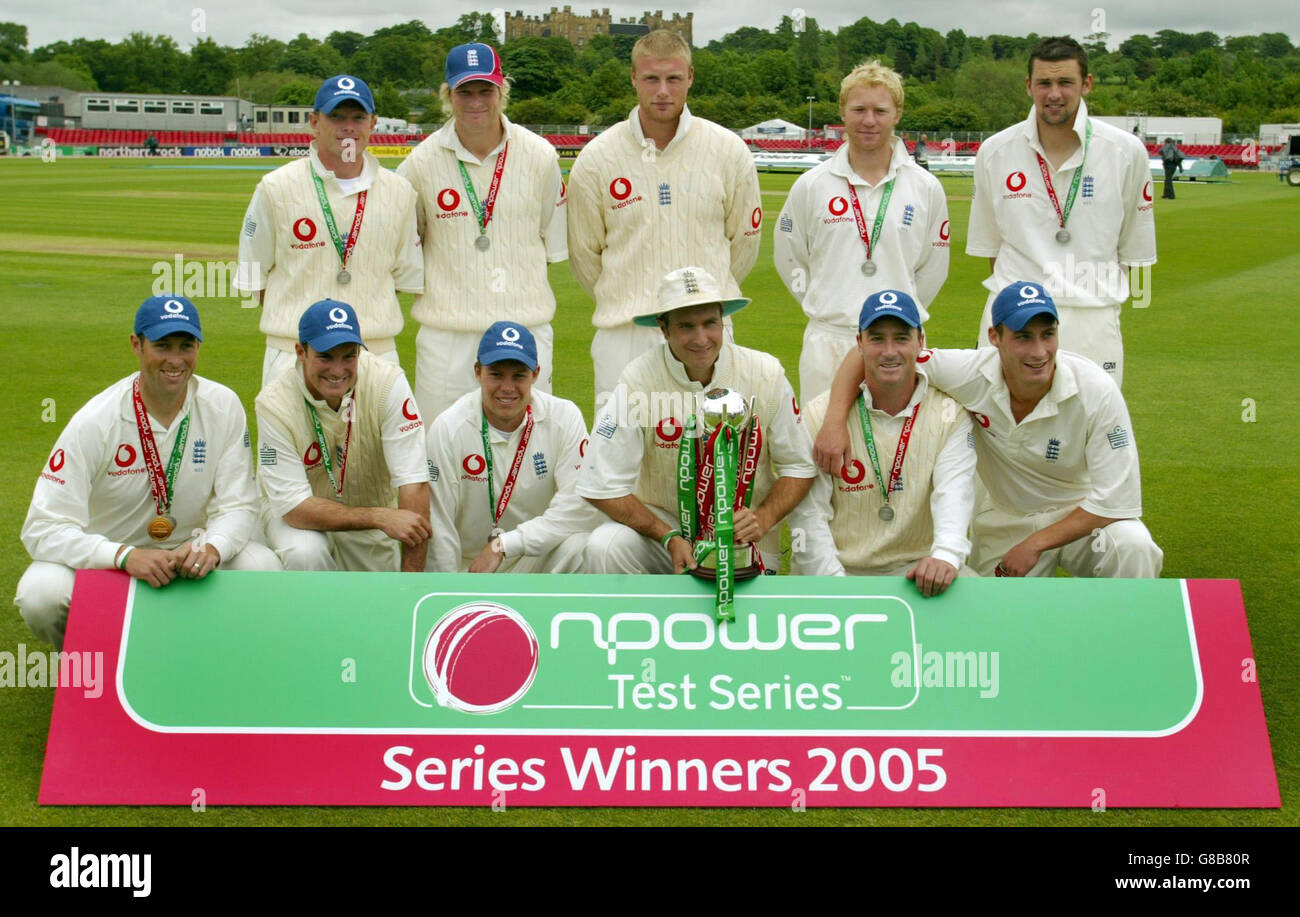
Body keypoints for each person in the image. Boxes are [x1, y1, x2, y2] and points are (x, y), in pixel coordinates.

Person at [812, 281, 1163, 579]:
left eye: (1047, 335)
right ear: (995, 337)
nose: (1039, 351)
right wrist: (833, 421)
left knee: (1134, 546)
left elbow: (1116, 502)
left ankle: (1126, 648)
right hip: (1003, 521)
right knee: (998, 624)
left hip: (1079, 518)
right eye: (1023, 337)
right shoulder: (968, 371)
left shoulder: (1096, 390)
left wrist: (1036, 543)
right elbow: (873, 355)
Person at [15, 296, 280, 648]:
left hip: (191, 553)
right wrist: (122, 556)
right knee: (40, 593)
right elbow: (41, 529)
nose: (175, 359)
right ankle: (94, 666)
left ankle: (217, 659)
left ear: (198, 346)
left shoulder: (222, 405)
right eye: (162, 346)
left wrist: (212, 547)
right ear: (136, 345)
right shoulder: (95, 421)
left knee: (263, 568)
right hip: (110, 558)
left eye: (186, 346)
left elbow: (239, 505)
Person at [567, 29, 763, 410]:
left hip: (706, 334)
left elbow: (743, 245)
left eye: (673, 79)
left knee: (710, 457)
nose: (663, 91)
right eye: (652, 79)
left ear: (690, 77)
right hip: (625, 333)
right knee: (622, 462)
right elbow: (584, 254)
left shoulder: (727, 150)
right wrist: (630, 299)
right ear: (634, 79)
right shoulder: (598, 158)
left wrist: (698, 305)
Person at [578, 266, 817, 574]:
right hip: (664, 532)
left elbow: (799, 465)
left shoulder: (766, 373)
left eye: (709, 324)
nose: (701, 338)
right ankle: (640, 621)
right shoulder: (638, 379)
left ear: (723, 321)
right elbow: (599, 483)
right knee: (604, 548)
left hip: (744, 537)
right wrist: (667, 535)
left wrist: (763, 518)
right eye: (687, 326)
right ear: (663, 329)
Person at [967, 36, 1155, 388]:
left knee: (1089, 436)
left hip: (1092, 321)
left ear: (1086, 84)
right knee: (1003, 434)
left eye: (1065, 82)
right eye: (1044, 83)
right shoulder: (995, 152)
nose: (1054, 94)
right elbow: (992, 250)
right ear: (1028, 86)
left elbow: (1131, 251)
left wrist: (1083, 291)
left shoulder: (1126, 152)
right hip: (1013, 321)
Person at [397, 43, 567, 422]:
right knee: (440, 458)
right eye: (465, 92)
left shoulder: (540, 156)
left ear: (501, 91)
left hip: (526, 331)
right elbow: (408, 245)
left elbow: (550, 243)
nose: (476, 102)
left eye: (485, 90)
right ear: (448, 95)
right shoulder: (419, 164)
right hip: (447, 339)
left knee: (529, 455)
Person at [774, 60, 949, 400]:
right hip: (829, 340)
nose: (869, 120)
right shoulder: (811, 185)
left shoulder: (926, 187)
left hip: (894, 345)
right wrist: (825, 300)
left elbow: (933, 269)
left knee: (890, 448)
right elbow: (789, 257)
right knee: (823, 448)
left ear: (897, 113)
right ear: (843, 111)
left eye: (880, 110)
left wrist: (896, 319)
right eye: (859, 109)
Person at [234, 74, 423, 387]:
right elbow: (255, 276)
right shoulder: (275, 188)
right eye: (336, 116)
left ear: (373, 123)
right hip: (294, 354)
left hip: (374, 355)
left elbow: (403, 277)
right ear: (314, 121)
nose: (347, 127)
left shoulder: (400, 192)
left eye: (358, 117)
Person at [789, 290, 975, 596]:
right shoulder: (820, 416)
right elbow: (808, 514)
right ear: (859, 344)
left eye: (901, 338)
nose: (889, 351)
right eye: (877, 339)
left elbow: (954, 493)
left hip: (917, 569)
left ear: (921, 342)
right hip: (837, 569)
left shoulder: (950, 414)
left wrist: (945, 556)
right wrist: (835, 585)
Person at [255, 299, 431, 572]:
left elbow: (414, 482)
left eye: (348, 356)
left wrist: (411, 584)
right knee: (306, 553)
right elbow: (294, 508)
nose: (338, 371)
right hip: (296, 519)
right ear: (301, 351)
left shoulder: (388, 382)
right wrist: (379, 517)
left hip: (370, 512)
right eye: (325, 356)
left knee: (374, 606)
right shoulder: (273, 403)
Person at [425, 321, 597, 572]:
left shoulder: (564, 417)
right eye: (496, 374)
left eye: (518, 375)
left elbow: (580, 507)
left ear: (536, 373)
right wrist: (449, 593)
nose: (507, 388)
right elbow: (440, 526)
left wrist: (505, 544)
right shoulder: (448, 428)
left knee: (584, 546)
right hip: (472, 567)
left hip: (534, 557)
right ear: (477, 371)